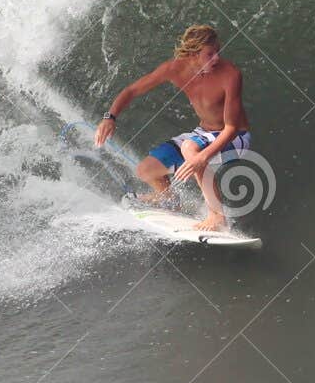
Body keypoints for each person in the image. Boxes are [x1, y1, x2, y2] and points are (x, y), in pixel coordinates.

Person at [94, 24, 251, 231]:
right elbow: (132, 90)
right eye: (210, 54)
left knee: (189, 148)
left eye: (218, 52)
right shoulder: (174, 69)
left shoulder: (230, 75)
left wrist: (201, 158)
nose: (216, 59)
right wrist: (110, 116)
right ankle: (168, 199)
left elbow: (230, 128)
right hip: (202, 134)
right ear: (193, 54)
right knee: (145, 170)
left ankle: (216, 215)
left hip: (235, 138)